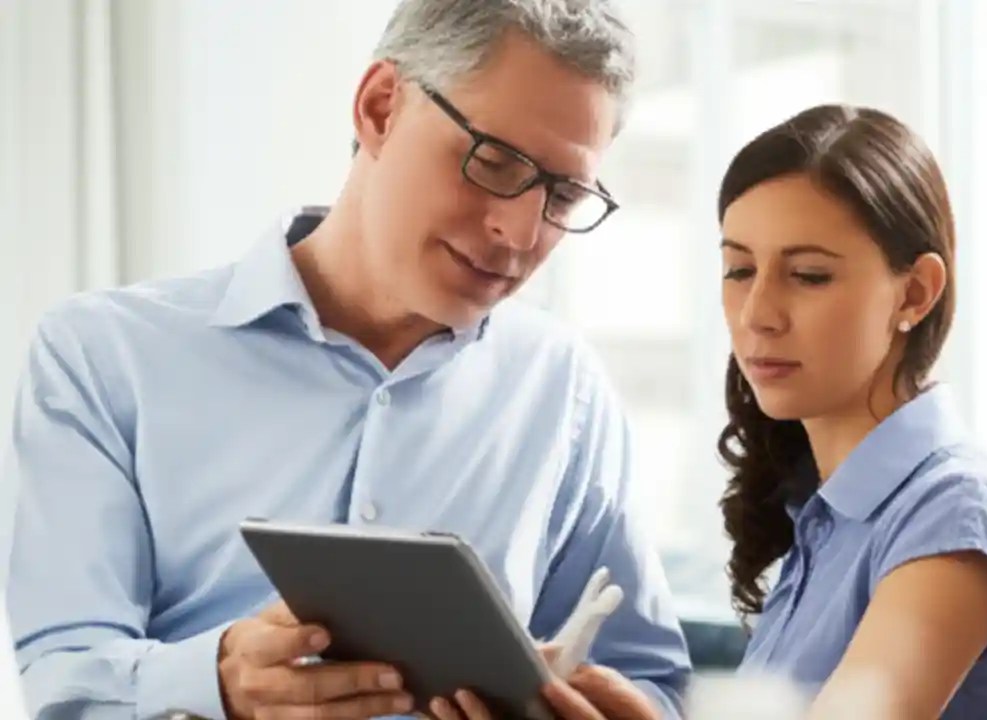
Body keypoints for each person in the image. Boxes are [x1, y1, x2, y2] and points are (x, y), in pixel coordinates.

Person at [4, 1, 691, 718]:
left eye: (564, 194)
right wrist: (218, 681)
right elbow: (61, 682)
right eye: (494, 162)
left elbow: (650, 682)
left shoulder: (563, 388)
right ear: (380, 106)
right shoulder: (103, 356)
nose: (519, 233)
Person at [713, 106, 987, 718]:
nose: (757, 313)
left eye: (809, 275)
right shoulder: (825, 516)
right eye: (740, 270)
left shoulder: (955, 512)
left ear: (915, 293)